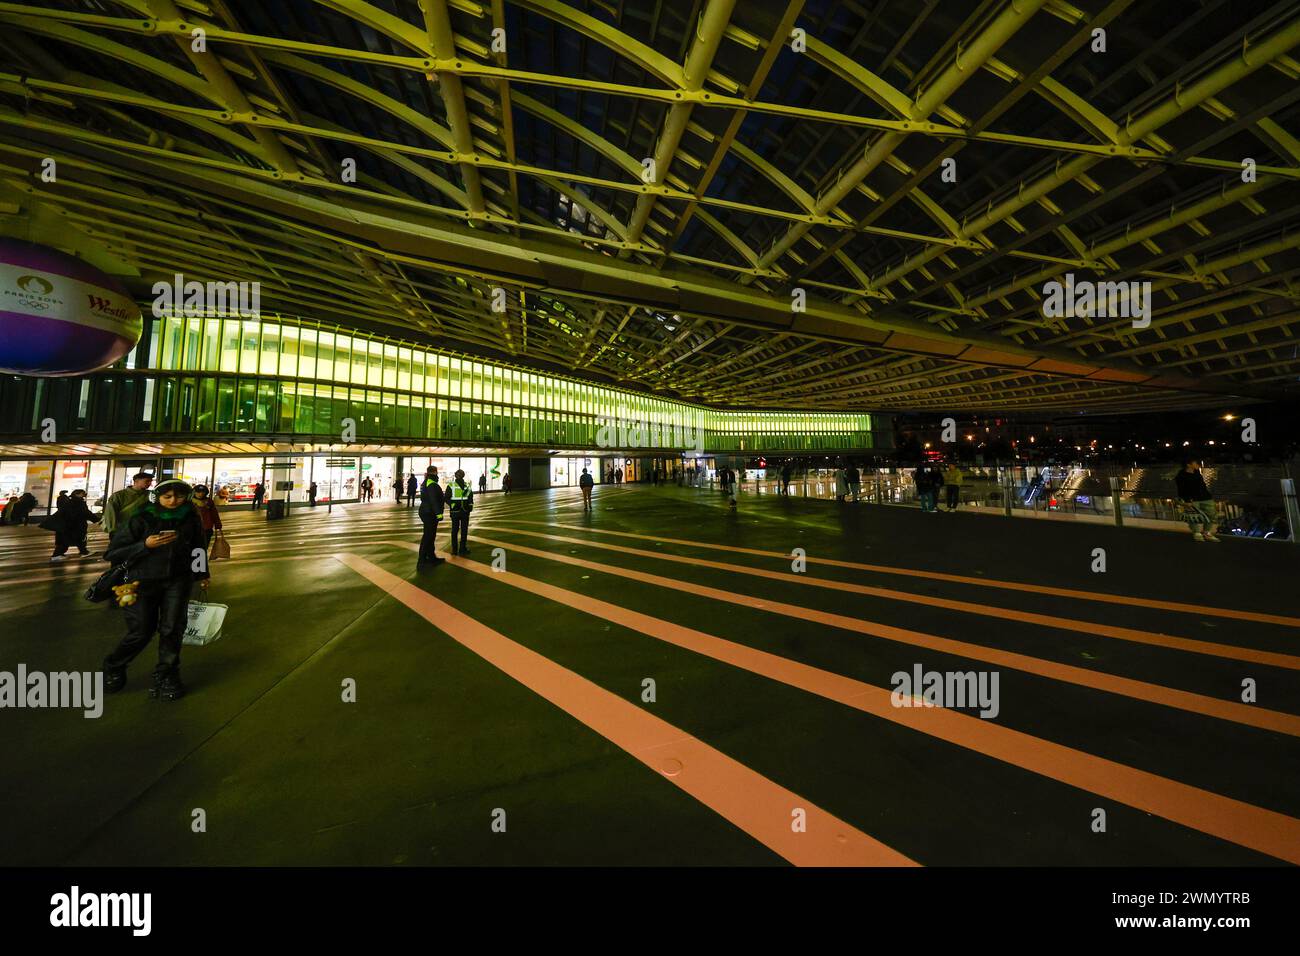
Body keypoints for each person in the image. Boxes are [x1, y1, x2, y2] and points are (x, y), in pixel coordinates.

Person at [101, 479, 209, 701]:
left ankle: (167, 674)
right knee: (141, 630)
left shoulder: (190, 517)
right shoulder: (141, 517)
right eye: (167, 497)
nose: (173, 501)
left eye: (178, 497)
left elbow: (199, 546)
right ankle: (114, 665)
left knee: (172, 629)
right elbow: (113, 553)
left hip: (178, 580)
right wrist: (145, 545)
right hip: (141, 582)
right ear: (157, 497)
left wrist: (202, 574)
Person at [45, 488, 97, 561]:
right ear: (77, 494)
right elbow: (86, 513)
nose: (84, 494)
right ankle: (57, 555)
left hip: (68, 525)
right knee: (77, 539)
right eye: (82, 493)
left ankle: (83, 552)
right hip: (75, 525)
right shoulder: (78, 502)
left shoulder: (70, 501)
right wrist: (96, 519)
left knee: (69, 540)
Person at [1175, 460, 1220, 542]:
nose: (1198, 464)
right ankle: (1197, 533)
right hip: (1192, 499)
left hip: (1205, 497)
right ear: (1188, 464)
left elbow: (1202, 485)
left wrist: (1208, 494)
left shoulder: (1197, 472)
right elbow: (1181, 490)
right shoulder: (1181, 476)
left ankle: (1206, 532)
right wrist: (1187, 500)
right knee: (1193, 516)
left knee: (1212, 514)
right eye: (1195, 463)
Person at [417, 466, 445, 566]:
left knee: (430, 535)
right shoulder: (431, 484)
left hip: (427, 511)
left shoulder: (427, 482)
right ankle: (423, 559)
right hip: (430, 513)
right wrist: (438, 514)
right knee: (428, 536)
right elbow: (433, 500)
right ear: (434, 472)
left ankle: (430, 556)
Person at [445, 469, 474, 556]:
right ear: (456, 475)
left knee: (463, 530)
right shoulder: (451, 485)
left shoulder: (467, 486)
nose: (459, 475)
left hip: (464, 511)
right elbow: (446, 497)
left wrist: (470, 506)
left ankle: (461, 548)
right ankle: (456, 549)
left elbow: (470, 497)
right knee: (456, 530)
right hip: (456, 511)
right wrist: (452, 504)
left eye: (460, 474)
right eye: (458, 474)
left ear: (462, 475)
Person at [192, 484, 222, 549]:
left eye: (203, 492)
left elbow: (214, 514)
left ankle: (202, 558)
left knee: (203, 547)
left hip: (206, 529)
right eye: (198, 492)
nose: (200, 494)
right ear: (194, 492)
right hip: (192, 529)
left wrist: (218, 525)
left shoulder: (209, 502)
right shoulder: (189, 502)